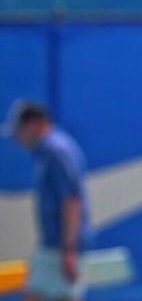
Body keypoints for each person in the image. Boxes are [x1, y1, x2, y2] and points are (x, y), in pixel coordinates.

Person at [2, 99, 91, 301]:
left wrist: (69, 249)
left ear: (34, 124)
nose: (17, 139)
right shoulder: (51, 151)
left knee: (37, 295)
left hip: (58, 247)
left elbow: (72, 201)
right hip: (56, 245)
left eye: (19, 131)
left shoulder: (55, 151)